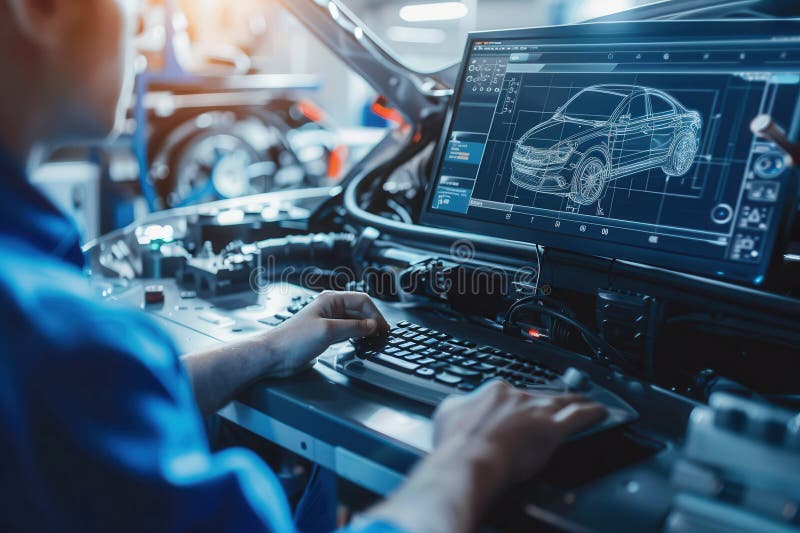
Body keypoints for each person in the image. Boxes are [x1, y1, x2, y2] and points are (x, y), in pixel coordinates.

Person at [0, 0, 607, 531]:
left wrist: (267, 348)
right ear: (40, 7)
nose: (140, 40)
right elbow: (71, 389)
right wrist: (469, 458)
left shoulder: (44, 333)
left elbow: (91, 415)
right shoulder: (44, 338)